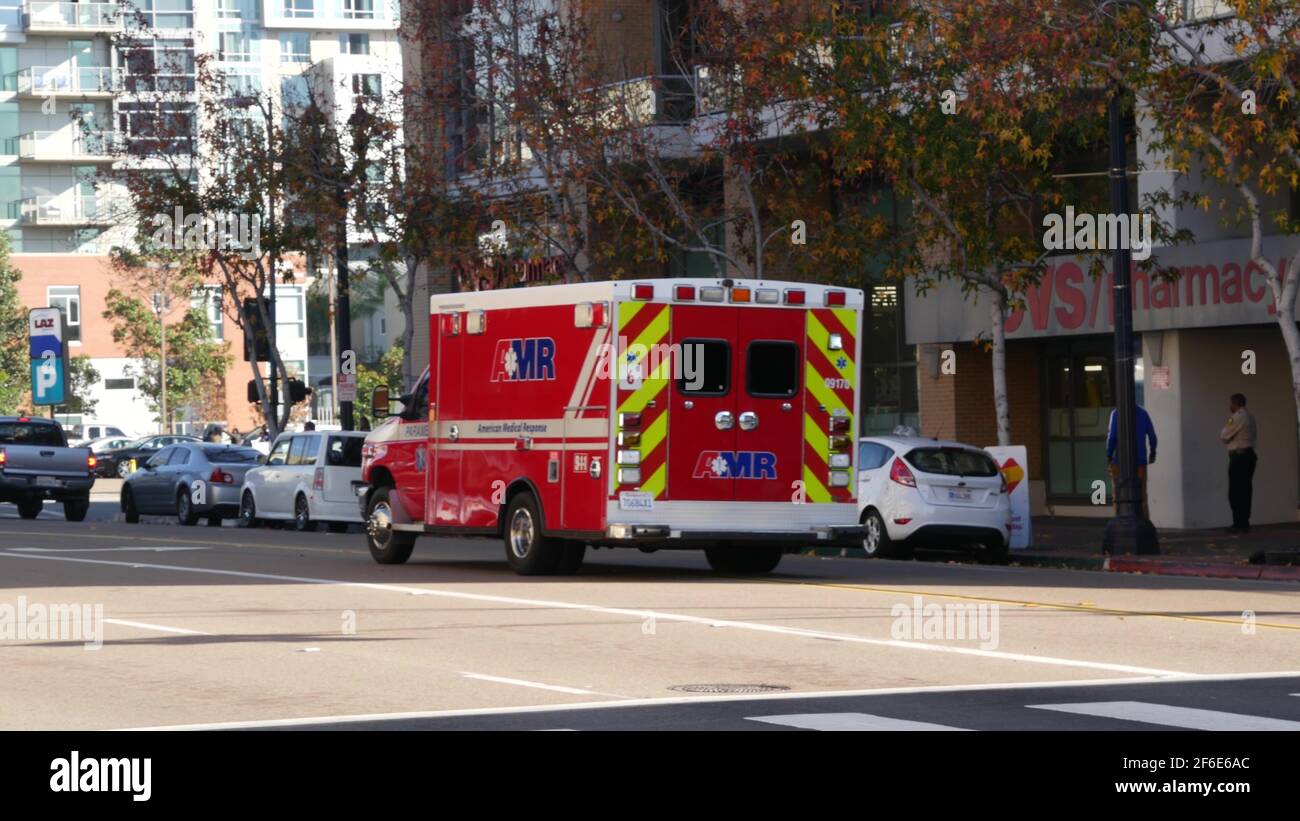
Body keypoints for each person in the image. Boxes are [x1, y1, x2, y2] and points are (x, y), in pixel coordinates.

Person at [1106, 403, 1157, 518]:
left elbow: (1112, 437)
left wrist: (1109, 454)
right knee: (1142, 495)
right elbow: (1152, 436)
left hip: (1119, 462)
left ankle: (1119, 520)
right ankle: (1144, 523)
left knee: (1117, 495)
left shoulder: (1115, 414)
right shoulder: (1143, 414)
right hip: (1140, 462)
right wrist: (1152, 452)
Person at [1220, 393, 1257, 533]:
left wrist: (1229, 439)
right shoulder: (1250, 416)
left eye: (1231, 403)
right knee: (1245, 491)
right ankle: (1243, 522)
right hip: (1248, 456)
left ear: (1235, 403)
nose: (1230, 406)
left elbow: (1223, 435)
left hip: (1239, 457)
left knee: (1235, 492)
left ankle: (1238, 524)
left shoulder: (1238, 417)